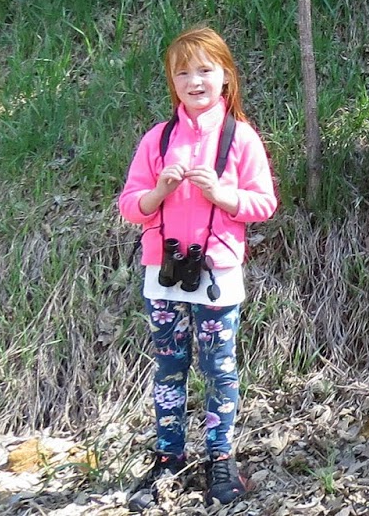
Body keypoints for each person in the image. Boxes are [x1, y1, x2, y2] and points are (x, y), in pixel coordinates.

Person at [118, 28, 278, 510]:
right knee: (169, 367)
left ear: (226, 76)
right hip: (163, 274)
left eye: (205, 70)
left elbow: (264, 203)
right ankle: (168, 458)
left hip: (217, 275)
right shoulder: (158, 138)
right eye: (182, 72)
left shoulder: (240, 137)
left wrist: (221, 195)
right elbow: (130, 204)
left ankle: (220, 459)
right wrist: (159, 192)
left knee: (219, 369)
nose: (194, 81)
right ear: (172, 81)